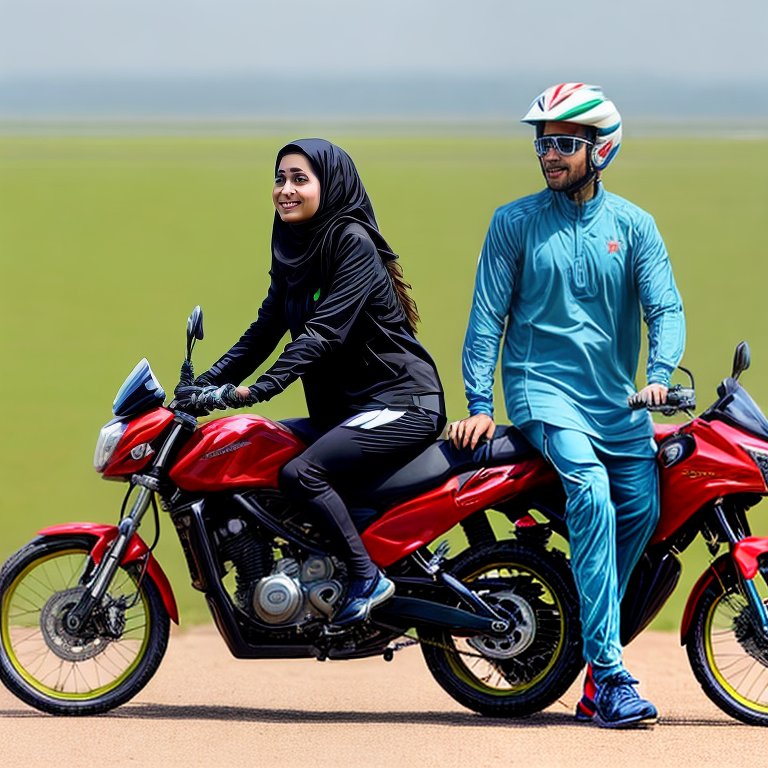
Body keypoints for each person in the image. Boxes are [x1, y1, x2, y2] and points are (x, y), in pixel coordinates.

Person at [448, 84, 685, 728]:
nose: (548, 154)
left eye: (562, 143)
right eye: (542, 143)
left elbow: (665, 308)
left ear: (600, 149)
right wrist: (479, 400)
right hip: (543, 393)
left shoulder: (635, 226)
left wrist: (659, 374)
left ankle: (584, 652)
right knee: (590, 492)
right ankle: (608, 674)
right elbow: (486, 319)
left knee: (642, 509)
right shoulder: (513, 222)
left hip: (619, 404)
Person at [178, 138, 446, 626]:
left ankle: (366, 576)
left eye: (300, 179)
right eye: (279, 179)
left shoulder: (352, 242)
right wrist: (203, 388)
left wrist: (258, 390)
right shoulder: (293, 244)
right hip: (345, 411)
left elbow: (322, 334)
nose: (286, 189)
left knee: (301, 474)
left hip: (401, 403)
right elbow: (266, 327)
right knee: (256, 449)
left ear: (331, 184)